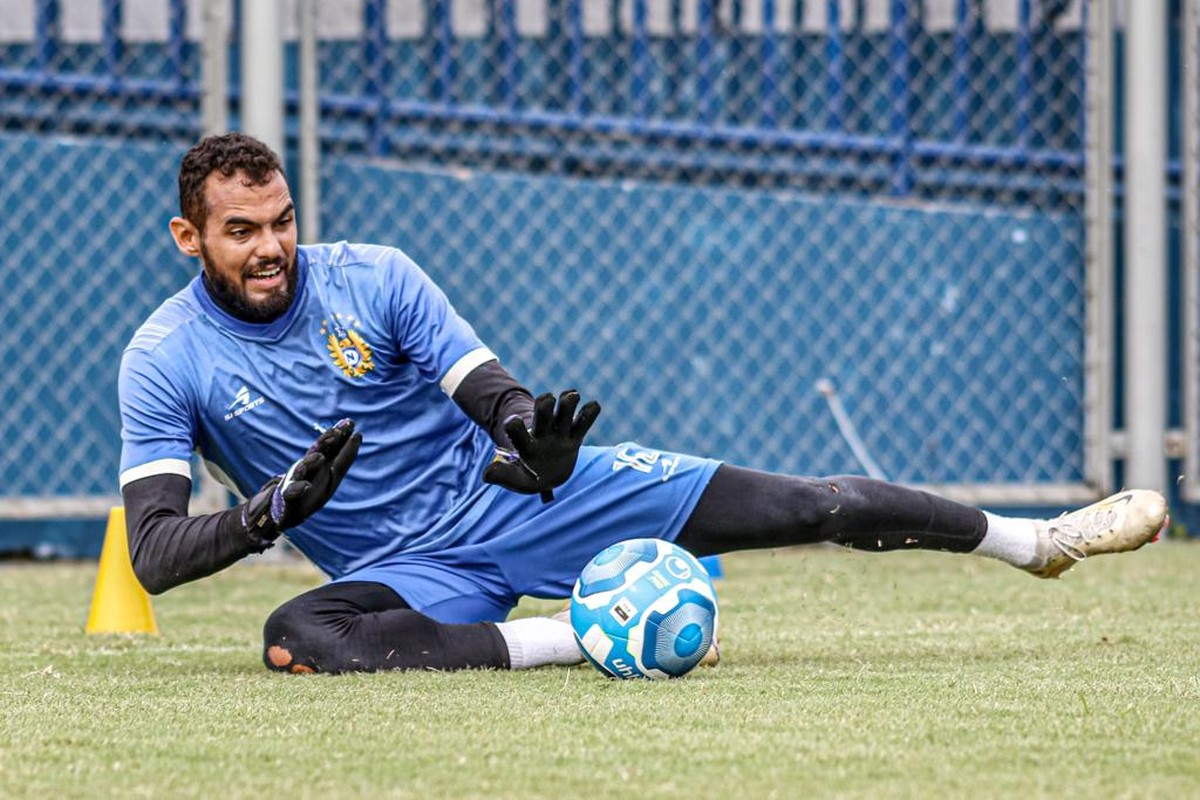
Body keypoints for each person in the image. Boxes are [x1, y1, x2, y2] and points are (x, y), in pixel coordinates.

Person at [118, 132, 1169, 675]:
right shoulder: (165, 358)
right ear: (189, 238)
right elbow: (155, 554)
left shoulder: (376, 273)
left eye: (281, 220)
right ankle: (586, 638)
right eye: (242, 230)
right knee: (298, 632)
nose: (270, 247)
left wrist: (533, 441)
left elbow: (483, 383)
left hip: (518, 498)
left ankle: (1039, 539)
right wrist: (272, 513)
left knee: (815, 503)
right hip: (410, 569)